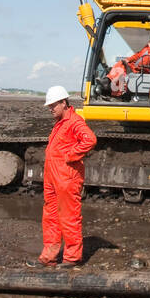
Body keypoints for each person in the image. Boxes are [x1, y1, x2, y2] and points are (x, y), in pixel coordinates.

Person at [39, 85, 97, 266]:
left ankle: (72, 258)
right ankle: (49, 256)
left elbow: (90, 139)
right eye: (49, 106)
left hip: (66, 177)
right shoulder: (60, 123)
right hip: (53, 176)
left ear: (64, 103)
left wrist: (70, 156)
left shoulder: (74, 121)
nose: (51, 109)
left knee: (69, 216)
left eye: (53, 105)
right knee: (50, 216)